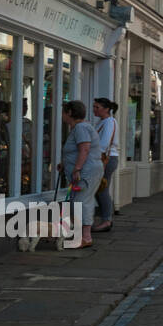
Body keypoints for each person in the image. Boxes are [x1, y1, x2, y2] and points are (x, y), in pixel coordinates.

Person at [60, 101, 104, 248]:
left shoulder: (81, 128)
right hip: (88, 170)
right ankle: (81, 236)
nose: (62, 116)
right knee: (82, 201)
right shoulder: (81, 127)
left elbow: (84, 149)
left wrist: (77, 168)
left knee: (81, 202)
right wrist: (66, 164)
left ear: (70, 113)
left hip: (86, 172)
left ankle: (84, 238)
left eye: (64, 112)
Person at [91, 98, 119, 232]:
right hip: (103, 158)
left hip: (106, 159)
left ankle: (107, 220)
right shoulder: (102, 122)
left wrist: (97, 158)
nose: (94, 109)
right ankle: (105, 218)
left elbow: (104, 143)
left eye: (97, 107)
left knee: (102, 189)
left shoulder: (109, 122)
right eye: (94, 107)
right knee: (99, 189)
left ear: (106, 109)